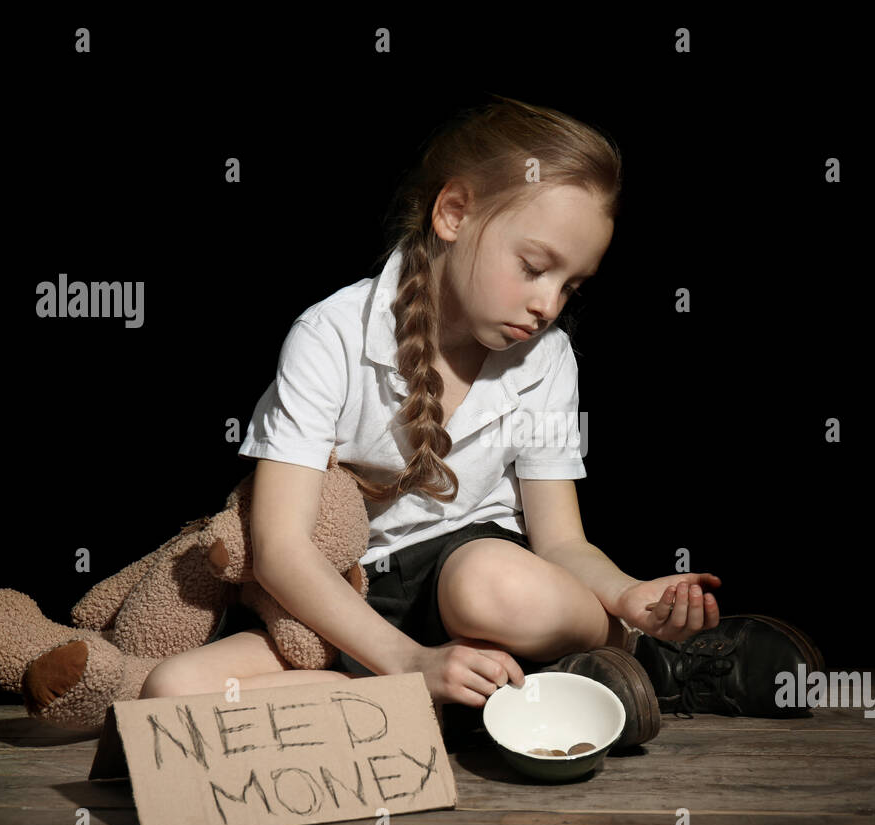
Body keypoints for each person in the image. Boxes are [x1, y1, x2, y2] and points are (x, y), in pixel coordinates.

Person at [137, 94, 723, 727]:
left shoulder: (547, 358)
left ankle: (636, 659)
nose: (549, 304)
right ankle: (467, 697)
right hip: (353, 605)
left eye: (570, 286)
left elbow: (560, 541)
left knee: (486, 585)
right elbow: (280, 548)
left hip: (481, 587)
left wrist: (626, 595)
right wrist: (409, 660)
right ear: (453, 213)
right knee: (171, 690)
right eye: (534, 268)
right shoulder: (330, 335)